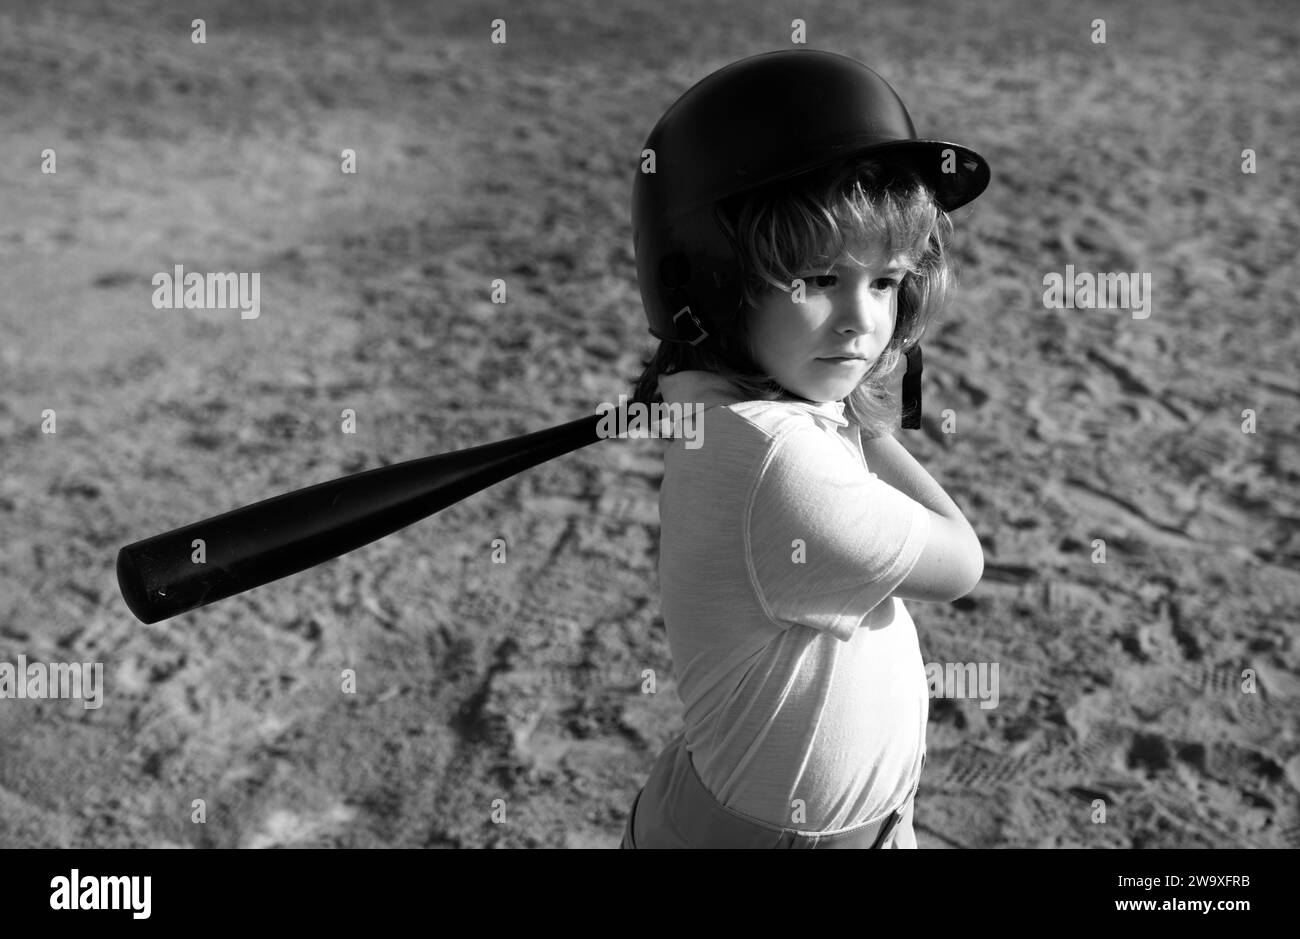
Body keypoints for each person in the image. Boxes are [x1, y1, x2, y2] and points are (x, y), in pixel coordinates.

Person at [618, 50, 990, 848]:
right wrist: (865, 420)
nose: (863, 322)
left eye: (885, 282)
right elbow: (962, 562)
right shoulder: (777, 459)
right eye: (819, 279)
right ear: (716, 285)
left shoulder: (731, 412)